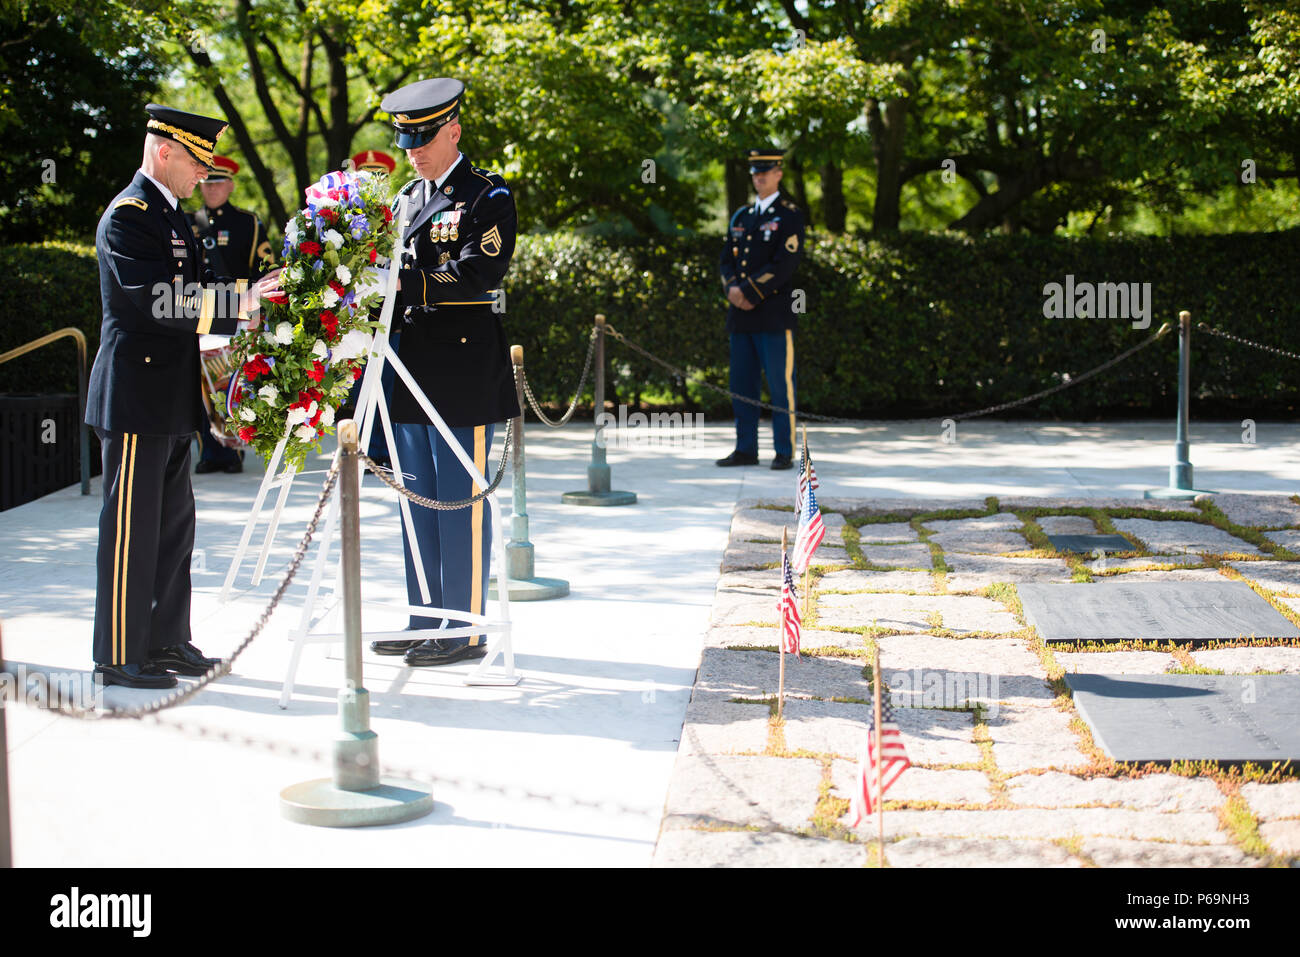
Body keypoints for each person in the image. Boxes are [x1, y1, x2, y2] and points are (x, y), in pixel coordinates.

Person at [86, 105, 279, 689]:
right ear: (163, 152)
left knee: (173, 528)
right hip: (135, 395)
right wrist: (233, 305)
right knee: (131, 530)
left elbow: (196, 289)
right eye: (197, 161)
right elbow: (157, 300)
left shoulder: (170, 216)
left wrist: (250, 294)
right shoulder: (129, 216)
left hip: (169, 394)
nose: (204, 174)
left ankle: (167, 639)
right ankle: (119, 652)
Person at [368, 78, 520, 668]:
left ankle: (466, 626)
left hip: (460, 371)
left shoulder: (487, 196)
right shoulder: (406, 197)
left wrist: (404, 284)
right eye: (406, 139)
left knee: (459, 501)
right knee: (417, 498)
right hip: (408, 367)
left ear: (452, 131)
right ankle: (426, 618)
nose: (412, 149)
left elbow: (480, 272)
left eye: (423, 138)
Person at [715, 148, 806, 471]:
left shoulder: (789, 215)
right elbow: (726, 259)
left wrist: (750, 291)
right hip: (741, 316)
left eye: (765, 172)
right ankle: (745, 448)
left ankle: (784, 450)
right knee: (742, 386)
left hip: (773, 314)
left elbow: (785, 264)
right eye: (755, 173)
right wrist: (732, 290)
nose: (759, 177)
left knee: (781, 387)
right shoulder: (742, 216)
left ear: (779, 173)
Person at [187, 154, 274, 474]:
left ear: (230, 185)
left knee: (228, 381)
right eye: (206, 183)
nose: (211, 189)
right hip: (197, 312)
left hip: (236, 313)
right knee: (201, 385)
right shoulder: (188, 220)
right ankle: (209, 449)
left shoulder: (247, 223)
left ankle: (232, 447)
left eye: (218, 183)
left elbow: (265, 268)